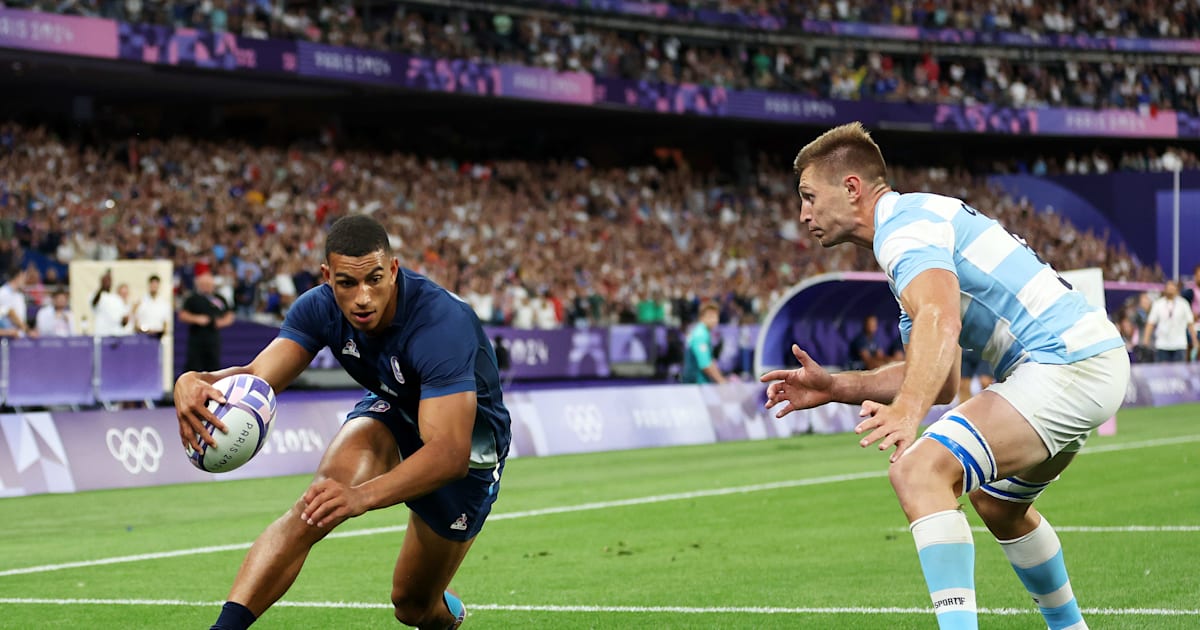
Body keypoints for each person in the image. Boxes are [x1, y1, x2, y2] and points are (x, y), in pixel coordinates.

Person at [761, 122, 1129, 630]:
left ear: (851, 187)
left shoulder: (903, 230)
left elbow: (941, 321)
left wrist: (907, 414)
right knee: (998, 507)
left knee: (918, 472)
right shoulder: (918, 236)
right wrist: (836, 387)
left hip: (1064, 363)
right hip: (1087, 359)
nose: (802, 215)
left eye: (808, 196)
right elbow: (940, 373)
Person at [173, 215, 511, 630]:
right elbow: (257, 378)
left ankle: (447, 613)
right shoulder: (318, 308)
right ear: (327, 277)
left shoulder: (440, 323)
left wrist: (360, 497)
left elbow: (448, 455)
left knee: (413, 606)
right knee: (315, 505)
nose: (362, 298)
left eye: (374, 279)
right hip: (391, 411)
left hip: (467, 444)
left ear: (393, 270)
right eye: (347, 284)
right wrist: (193, 382)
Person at [179, 270, 235, 373]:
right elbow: (182, 315)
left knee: (213, 366)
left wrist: (221, 322)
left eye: (209, 284)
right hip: (196, 337)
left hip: (213, 337)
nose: (206, 286)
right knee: (193, 366)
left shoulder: (220, 299)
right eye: (204, 284)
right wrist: (197, 319)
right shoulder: (192, 299)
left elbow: (229, 315)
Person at [1142, 280, 1197, 363]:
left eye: (1172, 287)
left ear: (1176, 289)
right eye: (1169, 287)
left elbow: (1190, 323)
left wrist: (1195, 341)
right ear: (1165, 289)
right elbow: (1150, 323)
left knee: (1179, 373)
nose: (1170, 289)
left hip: (1179, 344)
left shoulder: (1183, 304)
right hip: (1162, 345)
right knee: (1162, 374)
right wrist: (1146, 340)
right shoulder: (1158, 304)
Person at [680, 302, 730, 384]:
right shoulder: (700, 335)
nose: (715, 319)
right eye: (710, 316)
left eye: (716, 316)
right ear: (701, 317)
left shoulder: (704, 332)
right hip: (695, 384)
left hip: (700, 382)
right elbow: (705, 364)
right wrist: (721, 381)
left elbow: (710, 361)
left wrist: (721, 378)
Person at [92, 270, 131, 336]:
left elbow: (123, 321)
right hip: (102, 335)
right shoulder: (96, 296)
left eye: (109, 280)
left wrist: (125, 320)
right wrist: (102, 287)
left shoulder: (117, 299)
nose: (107, 282)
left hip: (116, 335)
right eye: (105, 280)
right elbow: (94, 303)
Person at [134, 274, 172, 338]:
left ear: (159, 286)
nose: (154, 286)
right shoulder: (141, 302)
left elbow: (166, 323)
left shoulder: (164, 304)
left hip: (157, 337)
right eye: (152, 284)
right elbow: (135, 320)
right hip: (143, 336)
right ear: (149, 285)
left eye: (156, 284)